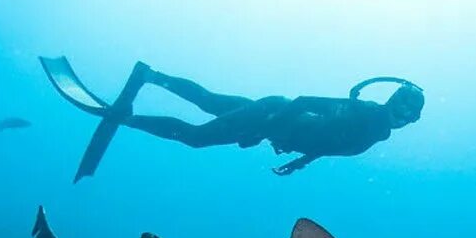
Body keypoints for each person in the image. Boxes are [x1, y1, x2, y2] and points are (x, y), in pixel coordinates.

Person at [120, 65, 424, 175]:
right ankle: (129, 117)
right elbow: (304, 102)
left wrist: (300, 162)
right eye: (399, 109)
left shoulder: (373, 133)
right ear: (391, 101)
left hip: (270, 120)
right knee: (197, 137)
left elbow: (331, 142)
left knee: (210, 102)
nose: (400, 118)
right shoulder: (366, 113)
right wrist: (263, 129)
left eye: (408, 116)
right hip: (270, 114)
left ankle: (149, 75)